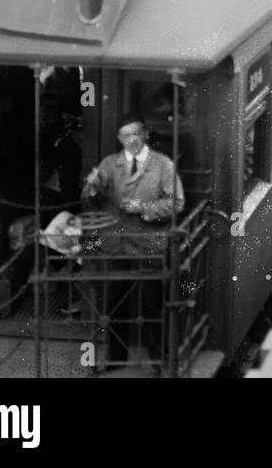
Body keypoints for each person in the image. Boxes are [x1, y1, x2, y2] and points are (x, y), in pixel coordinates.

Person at [82, 115, 185, 371]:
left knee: (153, 307)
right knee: (115, 306)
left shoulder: (163, 165)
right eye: (125, 135)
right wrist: (91, 188)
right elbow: (89, 198)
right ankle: (116, 360)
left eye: (135, 133)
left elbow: (177, 203)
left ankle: (160, 363)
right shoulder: (110, 164)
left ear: (146, 134)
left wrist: (143, 207)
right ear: (119, 139)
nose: (131, 140)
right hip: (117, 246)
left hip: (149, 244)